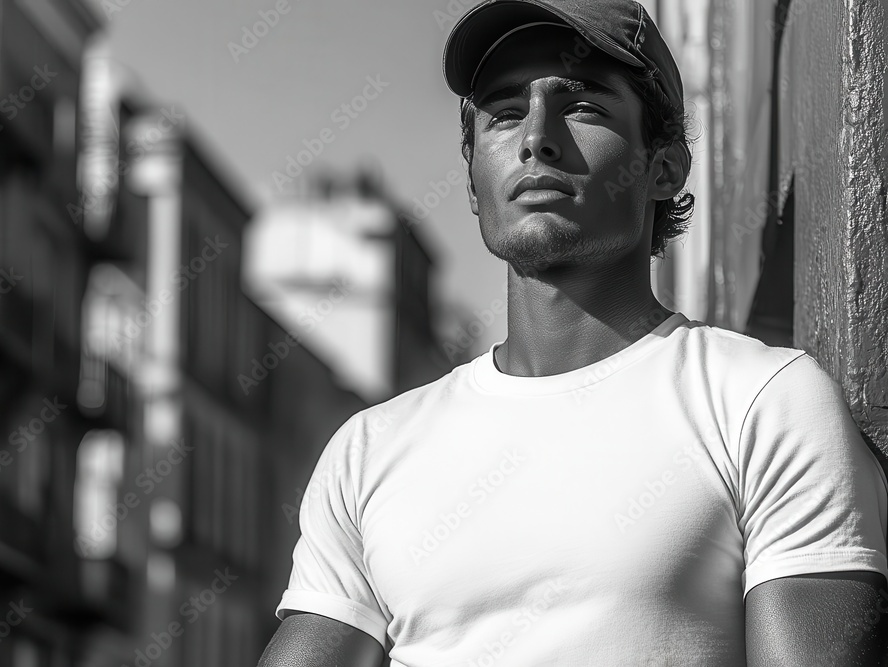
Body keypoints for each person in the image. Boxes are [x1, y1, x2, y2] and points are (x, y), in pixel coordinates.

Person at [258, 1, 888, 665]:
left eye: (582, 105)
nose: (536, 137)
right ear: (473, 179)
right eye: (504, 112)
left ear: (665, 167)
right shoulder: (368, 450)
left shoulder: (763, 401)